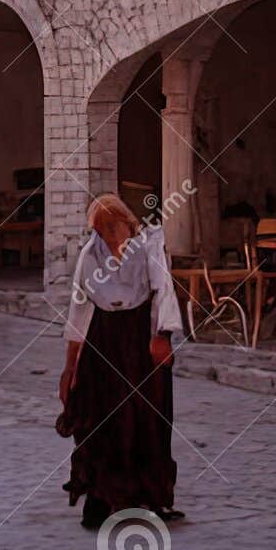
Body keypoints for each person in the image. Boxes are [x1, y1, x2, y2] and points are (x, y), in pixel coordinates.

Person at [57, 193, 184, 530]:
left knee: (145, 416)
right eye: (101, 229)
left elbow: (163, 290)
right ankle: (102, 497)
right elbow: (79, 310)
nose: (109, 234)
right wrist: (70, 366)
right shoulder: (90, 256)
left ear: (129, 222)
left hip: (140, 337)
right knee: (102, 417)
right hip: (104, 340)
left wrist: (162, 337)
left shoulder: (148, 248)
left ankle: (145, 497)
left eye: (114, 226)